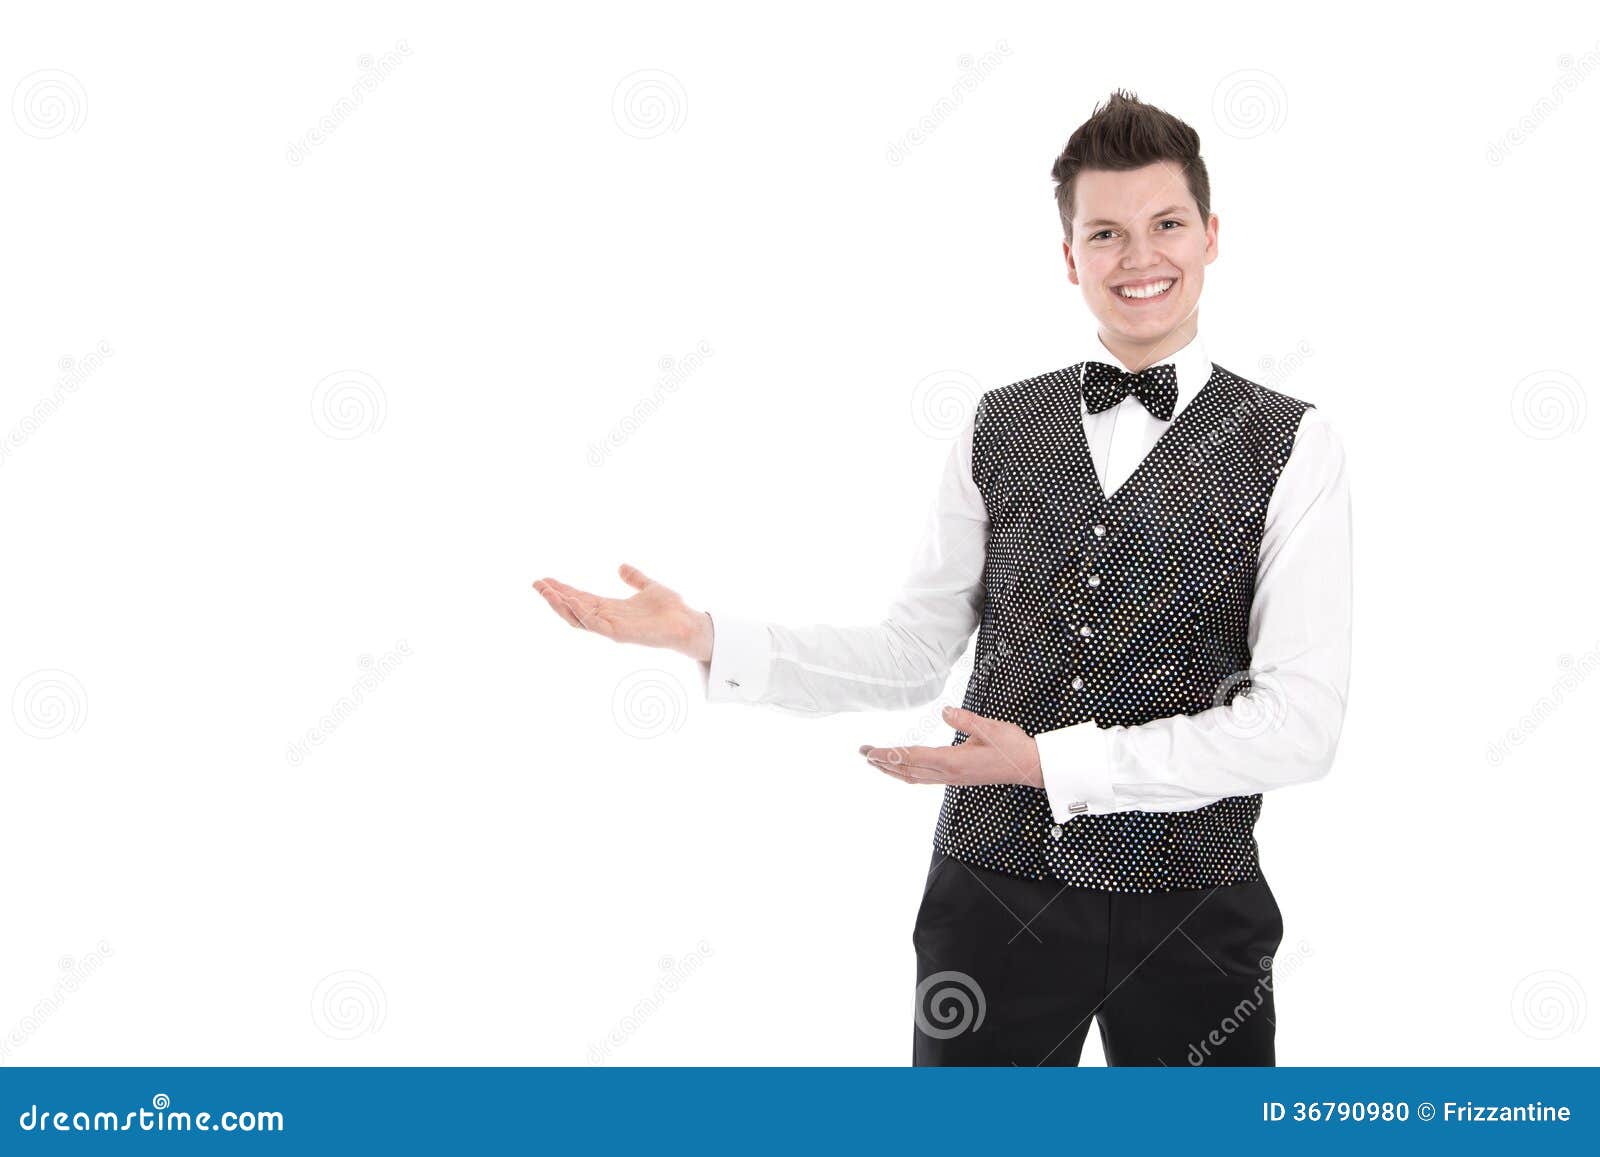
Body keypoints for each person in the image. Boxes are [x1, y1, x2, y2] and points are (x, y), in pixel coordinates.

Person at [533, 89, 1351, 1067]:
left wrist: (1049, 763)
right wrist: (707, 635)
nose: (1139, 257)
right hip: (989, 896)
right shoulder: (994, 423)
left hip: (1195, 907)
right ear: (1069, 256)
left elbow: (1298, 725)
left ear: (1210, 236)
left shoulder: (1292, 441)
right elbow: (912, 652)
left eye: (1165, 224)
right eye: (1105, 232)